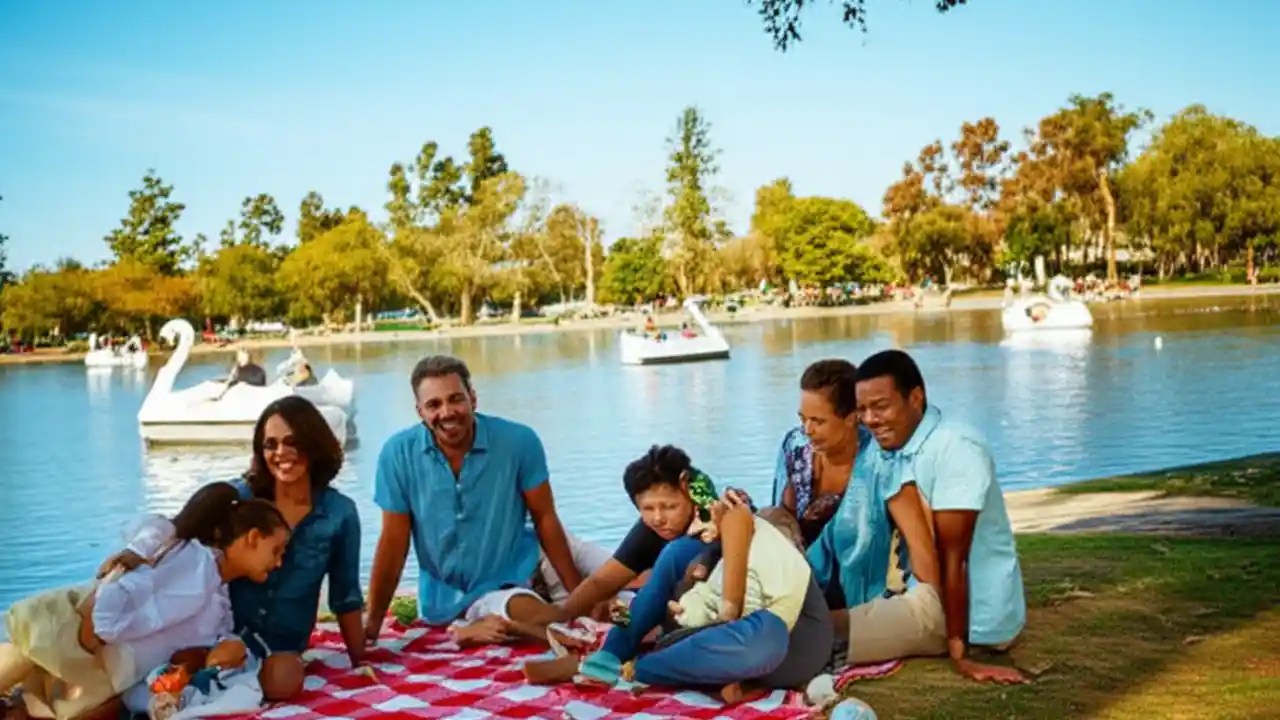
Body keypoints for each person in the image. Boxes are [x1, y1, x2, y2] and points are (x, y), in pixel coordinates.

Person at [99, 396, 367, 700]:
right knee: (155, 677)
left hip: (280, 649)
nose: (281, 453)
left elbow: (345, 597)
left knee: (286, 678)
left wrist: (360, 659)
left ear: (313, 443)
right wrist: (137, 553)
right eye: (271, 444)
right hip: (212, 637)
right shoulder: (238, 499)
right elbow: (180, 530)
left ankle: (198, 692)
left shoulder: (340, 513)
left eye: (293, 441)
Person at [1, 482, 289, 720]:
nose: (278, 562)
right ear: (252, 538)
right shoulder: (195, 565)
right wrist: (103, 620)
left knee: (39, 701)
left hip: (108, 663)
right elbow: (136, 587)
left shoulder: (217, 595)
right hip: (83, 632)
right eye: (276, 550)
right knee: (27, 656)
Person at [364, 355, 591, 648]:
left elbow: (545, 518)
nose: (447, 412)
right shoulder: (397, 454)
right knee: (539, 617)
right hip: (454, 598)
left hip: (520, 573)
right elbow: (394, 543)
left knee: (596, 587)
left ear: (473, 398)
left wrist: (578, 594)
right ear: (419, 411)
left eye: (456, 399)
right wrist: (374, 620)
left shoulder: (519, 441)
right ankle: (479, 630)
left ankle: (564, 623)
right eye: (434, 405)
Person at [848, 349, 1027, 684]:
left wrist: (960, 655)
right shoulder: (886, 444)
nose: (870, 419)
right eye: (862, 410)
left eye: (881, 406)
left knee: (818, 635)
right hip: (915, 589)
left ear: (915, 398)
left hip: (969, 618)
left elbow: (953, 558)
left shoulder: (955, 447)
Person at [771, 359, 870, 548]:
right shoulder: (796, 446)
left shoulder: (875, 458)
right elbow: (783, 513)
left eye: (818, 421)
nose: (808, 430)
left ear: (851, 417)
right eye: (803, 419)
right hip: (798, 562)